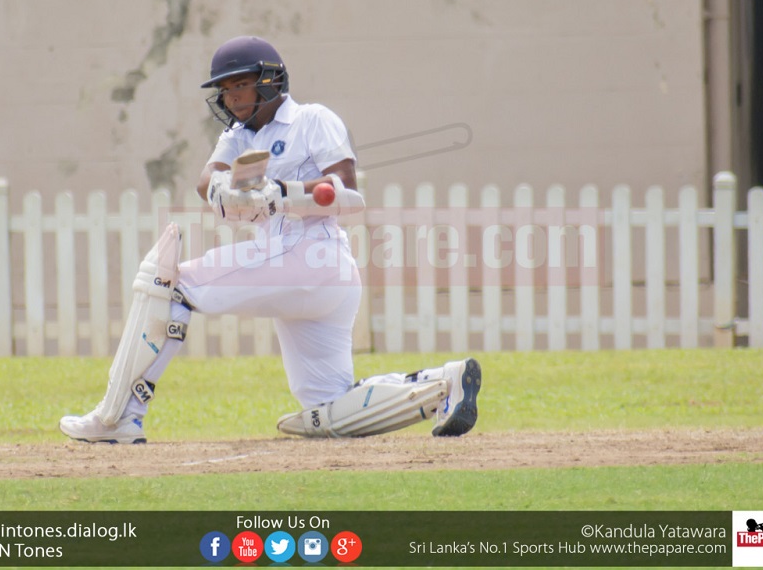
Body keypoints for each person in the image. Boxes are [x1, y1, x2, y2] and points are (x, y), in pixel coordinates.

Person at [59, 36, 482, 443]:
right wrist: (220, 187)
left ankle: (118, 417)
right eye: (225, 90)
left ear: (270, 79)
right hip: (312, 277)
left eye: (240, 84)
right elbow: (206, 179)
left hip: (305, 255)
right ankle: (445, 384)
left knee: (167, 284)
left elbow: (347, 190)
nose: (232, 97)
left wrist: (284, 192)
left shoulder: (312, 119)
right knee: (326, 408)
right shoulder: (238, 136)